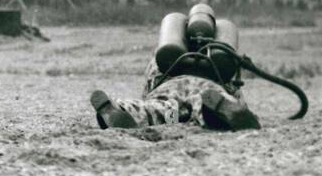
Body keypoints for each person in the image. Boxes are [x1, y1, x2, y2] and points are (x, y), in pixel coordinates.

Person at [90, 56, 260, 131]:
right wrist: (239, 106)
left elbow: (150, 84)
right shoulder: (222, 55)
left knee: (161, 109)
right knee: (203, 104)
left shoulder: (164, 55)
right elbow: (236, 90)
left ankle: (124, 109)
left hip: (170, 88)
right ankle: (217, 114)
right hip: (209, 86)